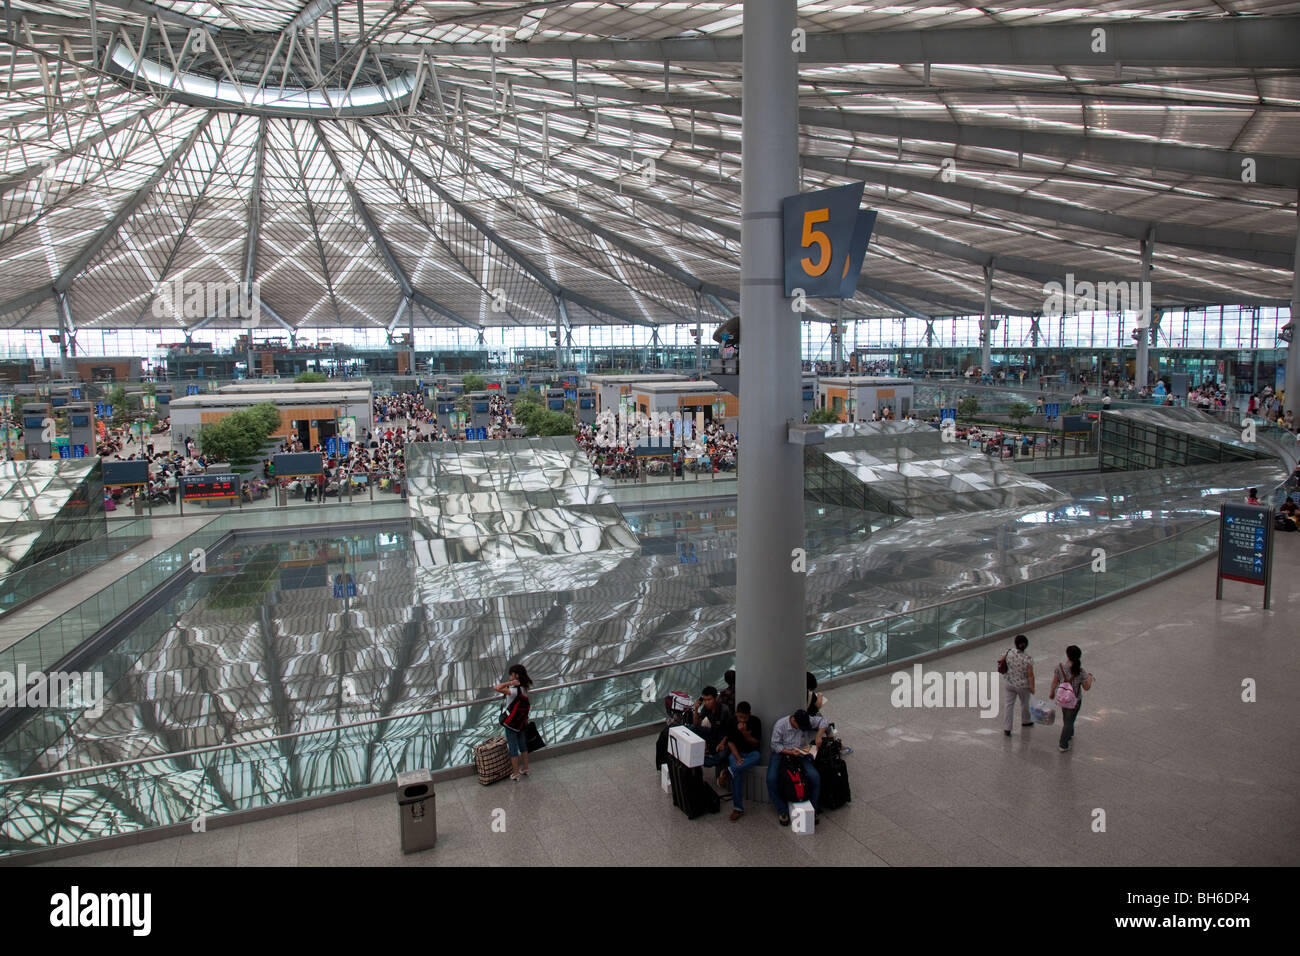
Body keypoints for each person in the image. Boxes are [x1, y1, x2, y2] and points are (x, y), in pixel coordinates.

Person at [766, 708, 828, 826]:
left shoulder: (806, 720)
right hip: (783, 752)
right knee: (771, 779)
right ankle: (782, 810)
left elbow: (823, 721)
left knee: (814, 777)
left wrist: (818, 736)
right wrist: (790, 752)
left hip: (801, 752)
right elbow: (774, 745)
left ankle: (813, 808)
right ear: (793, 720)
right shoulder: (781, 725)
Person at [719, 702, 763, 821]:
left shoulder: (755, 722)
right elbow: (731, 742)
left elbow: (756, 743)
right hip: (737, 753)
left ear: (749, 715)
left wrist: (744, 733)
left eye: (745, 717)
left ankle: (729, 770)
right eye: (740, 717)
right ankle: (738, 808)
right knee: (736, 775)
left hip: (750, 754)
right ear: (736, 714)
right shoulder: (731, 722)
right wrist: (738, 758)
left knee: (757, 756)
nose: (742, 720)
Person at [493, 664, 533, 780]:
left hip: (511, 723)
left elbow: (497, 687)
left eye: (511, 674)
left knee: (513, 746)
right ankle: (525, 768)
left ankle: (515, 773)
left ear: (517, 675)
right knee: (522, 744)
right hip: (521, 721)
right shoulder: (525, 688)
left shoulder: (513, 690)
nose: (509, 676)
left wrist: (509, 683)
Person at [1050, 645, 1093, 752]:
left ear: (1067, 655)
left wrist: (1051, 693)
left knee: (1067, 718)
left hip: (1063, 699)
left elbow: (1054, 682)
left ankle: (1069, 733)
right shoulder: (1080, 671)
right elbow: (1086, 687)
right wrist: (1090, 678)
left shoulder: (1059, 667)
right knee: (1069, 721)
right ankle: (1063, 744)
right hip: (1075, 700)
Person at [691, 685, 732, 776]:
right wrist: (696, 709)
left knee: (722, 755)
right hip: (713, 733)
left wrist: (722, 743)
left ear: (716, 698)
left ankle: (702, 761)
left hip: (725, 738)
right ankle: (696, 755)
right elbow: (696, 724)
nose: (706, 703)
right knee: (692, 729)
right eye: (705, 700)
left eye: (709, 700)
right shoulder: (706, 709)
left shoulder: (724, 710)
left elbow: (730, 730)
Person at [1000, 634, 1035, 736]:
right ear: (1026, 645)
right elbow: (1030, 675)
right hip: (1022, 686)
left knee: (1009, 705)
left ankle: (1007, 727)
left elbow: (1001, 660)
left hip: (1009, 682)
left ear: (1015, 643)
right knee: (1024, 703)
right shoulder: (1027, 659)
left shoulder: (1008, 652)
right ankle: (1025, 720)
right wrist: (1032, 687)